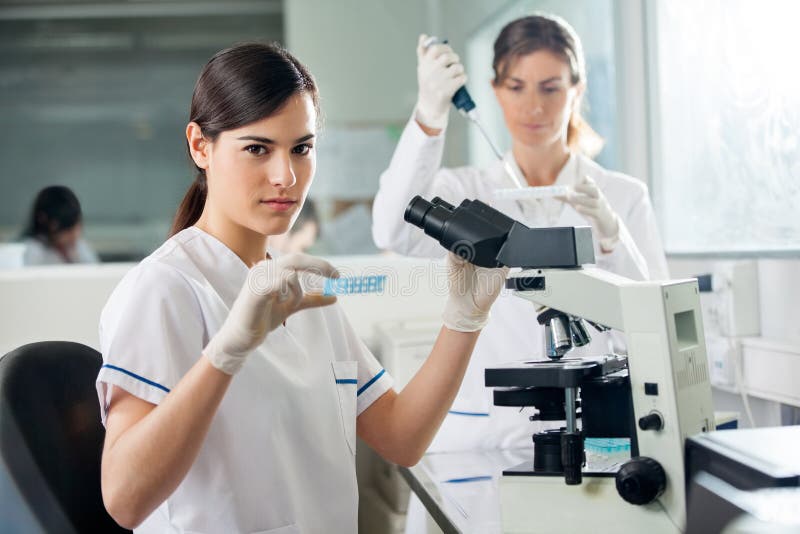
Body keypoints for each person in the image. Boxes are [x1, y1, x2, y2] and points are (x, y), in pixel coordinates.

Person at [95, 42, 507, 533]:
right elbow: (124, 498)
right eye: (257, 148)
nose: (285, 176)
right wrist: (226, 352)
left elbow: (401, 437)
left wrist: (463, 319)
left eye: (301, 148)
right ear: (200, 146)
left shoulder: (301, 291)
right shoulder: (166, 288)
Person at [372, 10, 669, 475]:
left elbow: (653, 326)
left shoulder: (622, 197)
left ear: (578, 90)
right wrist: (429, 115)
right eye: (517, 87)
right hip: (481, 435)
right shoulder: (463, 190)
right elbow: (391, 228)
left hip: (590, 433)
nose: (534, 106)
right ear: (494, 90)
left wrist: (613, 237)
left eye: (550, 87)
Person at [19, 185, 98, 265]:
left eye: (77, 226)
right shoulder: (34, 250)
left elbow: (96, 272)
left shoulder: (79, 247)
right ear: (44, 221)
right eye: (68, 229)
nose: (75, 234)